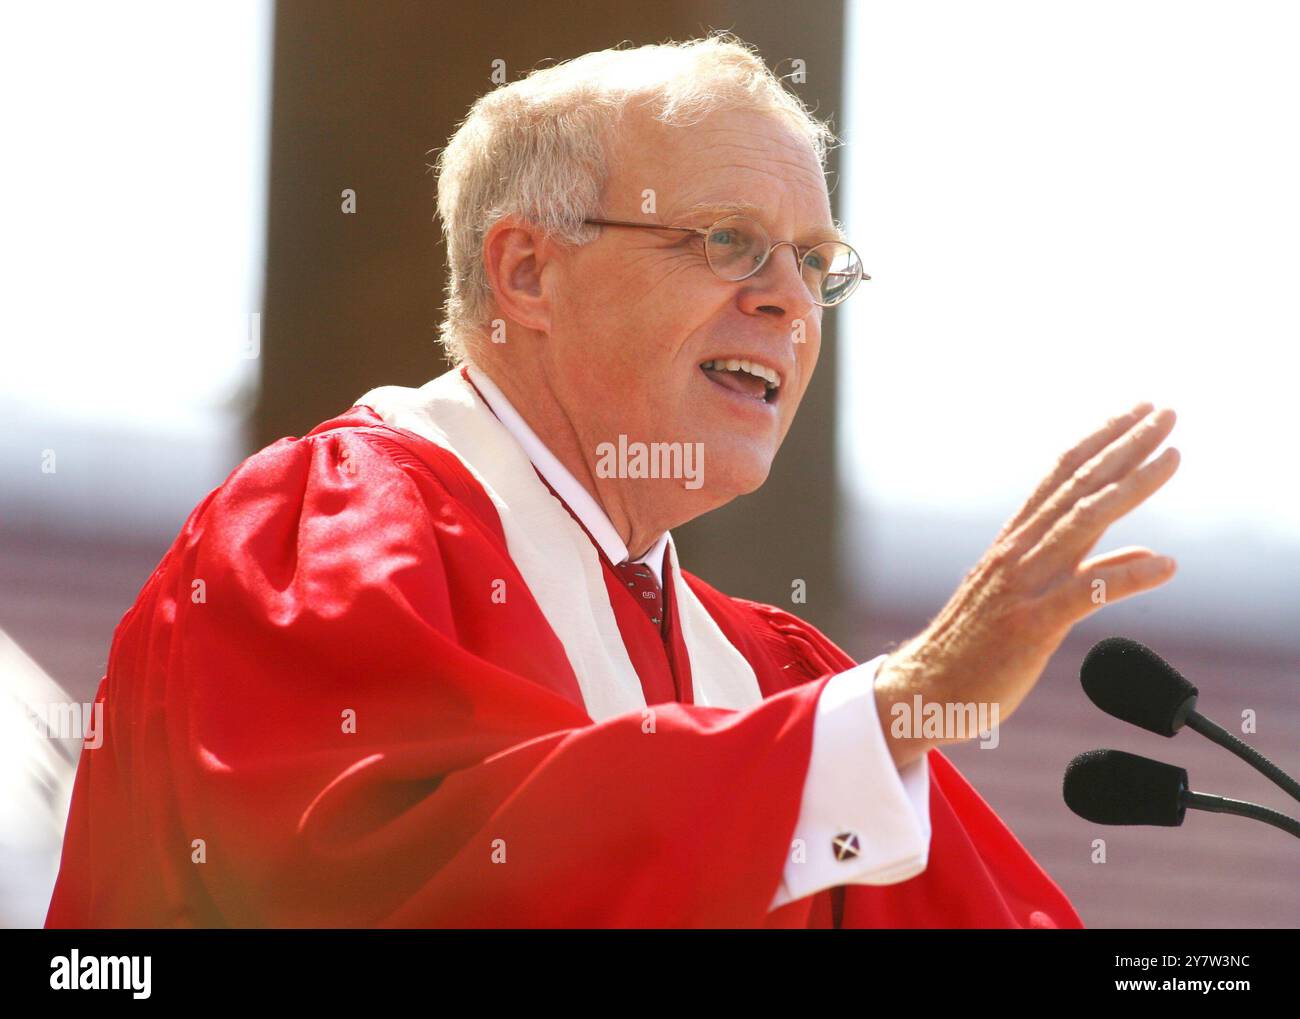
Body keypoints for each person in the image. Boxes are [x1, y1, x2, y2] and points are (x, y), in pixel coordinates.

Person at [45, 33, 1179, 928]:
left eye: (815, 262)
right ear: (527, 270)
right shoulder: (330, 531)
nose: (788, 299)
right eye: (729, 240)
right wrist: (898, 702)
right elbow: (391, 884)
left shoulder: (771, 676)